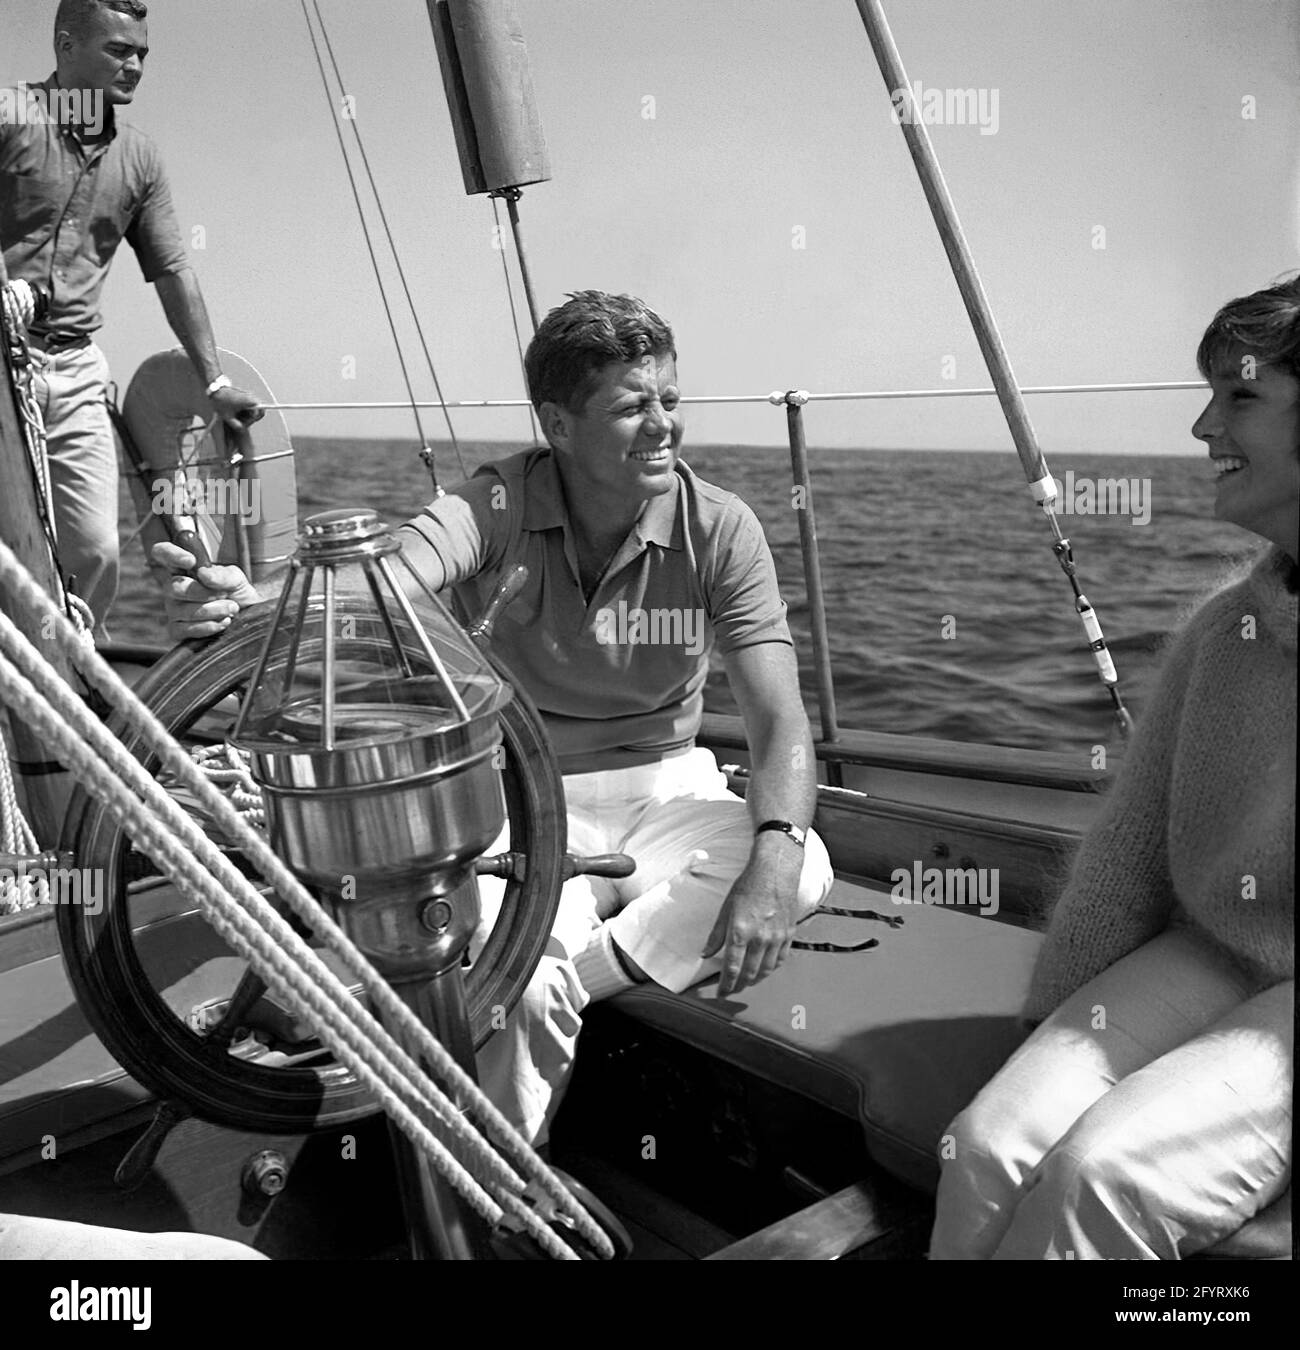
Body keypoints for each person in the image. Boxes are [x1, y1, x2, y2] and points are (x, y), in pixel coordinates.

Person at [158, 290, 835, 1147]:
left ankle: (555, 977)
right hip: (523, 804)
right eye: (632, 406)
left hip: (669, 793)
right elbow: (387, 581)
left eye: (669, 398)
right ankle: (505, 1196)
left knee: (800, 865)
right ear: (556, 422)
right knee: (520, 982)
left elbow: (781, 724)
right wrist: (253, 606)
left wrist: (770, 866)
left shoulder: (722, 529)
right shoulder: (493, 505)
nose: (664, 424)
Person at [929, 276, 1297, 1260]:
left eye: (1240, 396)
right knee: (985, 1144)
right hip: (1220, 949)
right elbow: (1129, 847)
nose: (1199, 424)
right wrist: (1055, 1020)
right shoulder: (1226, 631)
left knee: (1104, 1176)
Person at [0, 0, 263, 639]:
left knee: (95, 550)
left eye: (142, 52)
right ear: (65, 46)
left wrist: (213, 383)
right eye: (119, 50)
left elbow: (173, 271)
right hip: (2, 354)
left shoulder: (140, 159)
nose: (136, 65)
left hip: (75, 366)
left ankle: (67, 682)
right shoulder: (10, 116)